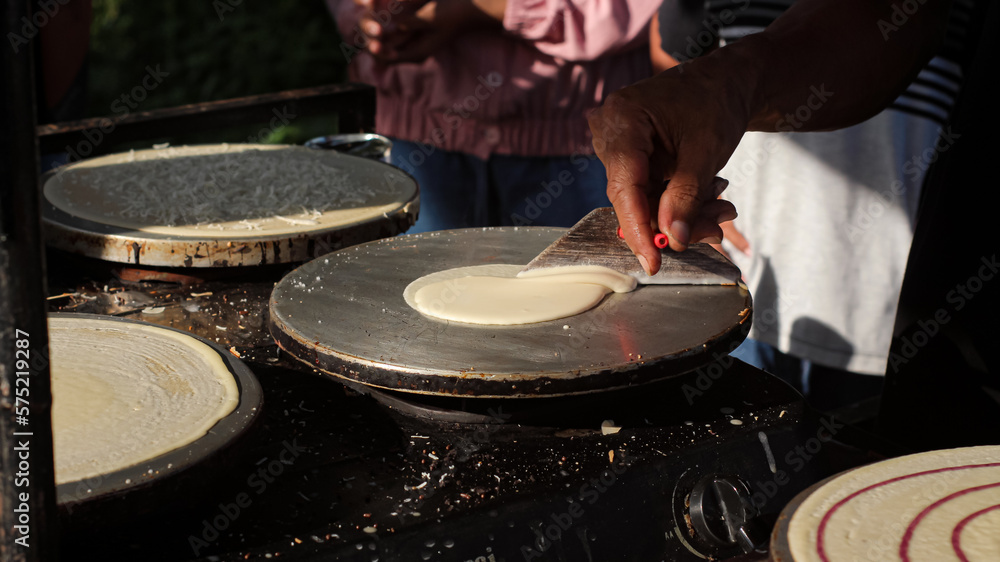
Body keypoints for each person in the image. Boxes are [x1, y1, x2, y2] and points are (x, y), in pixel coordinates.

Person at [589, 0, 1000, 448]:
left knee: (854, 450)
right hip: (752, 272)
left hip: (881, 288)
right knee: (750, 447)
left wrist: (729, 84)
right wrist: (686, 174)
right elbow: (673, 45)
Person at [327, 0, 659, 233]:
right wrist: (368, 15)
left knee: (591, 306)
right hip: (413, 140)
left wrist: (486, 7)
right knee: (403, 304)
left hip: (584, 145)